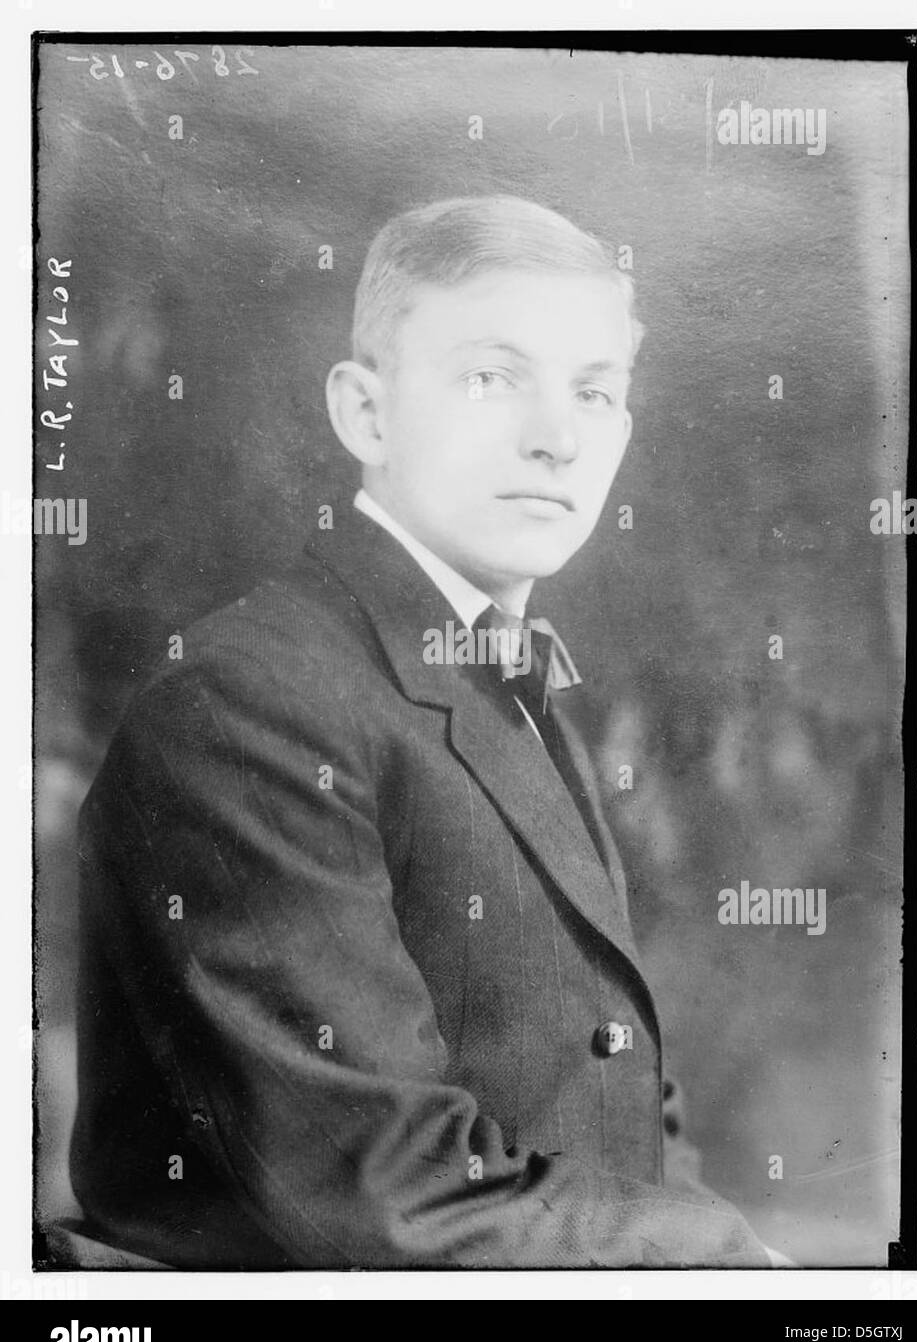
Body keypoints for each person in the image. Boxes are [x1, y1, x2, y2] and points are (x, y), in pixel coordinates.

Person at [55, 195, 773, 1270]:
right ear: (365, 413)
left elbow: (608, 1102)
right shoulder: (250, 701)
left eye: (593, 392)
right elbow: (377, 1188)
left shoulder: (505, 684)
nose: (555, 435)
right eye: (491, 378)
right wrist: (724, 1259)